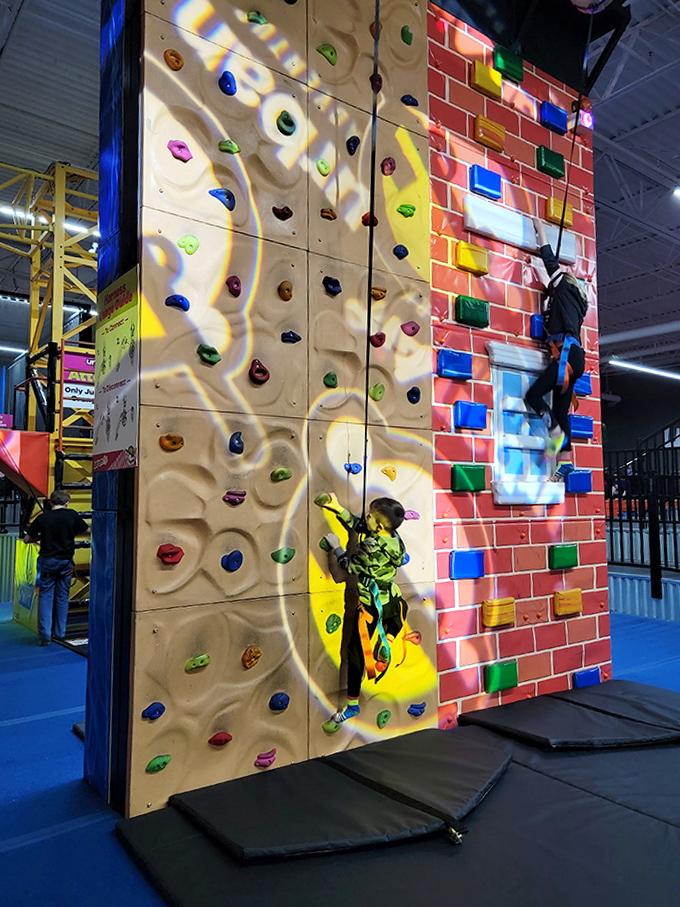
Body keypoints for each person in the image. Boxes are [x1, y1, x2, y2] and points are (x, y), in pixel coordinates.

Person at [314, 492, 407, 733]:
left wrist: (335, 547)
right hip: (390, 599)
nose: (365, 518)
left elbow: (349, 567)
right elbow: (360, 524)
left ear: (377, 525)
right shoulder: (395, 539)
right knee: (397, 616)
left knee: (355, 653)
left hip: (370, 605)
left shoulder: (370, 545)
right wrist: (337, 507)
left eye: (369, 516)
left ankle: (352, 704)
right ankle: (388, 637)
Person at [525, 216, 588, 478]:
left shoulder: (563, 288)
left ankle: (555, 437)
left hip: (567, 357)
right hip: (576, 357)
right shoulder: (579, 305)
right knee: (561, 410)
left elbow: (550, 261)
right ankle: (565, 461)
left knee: (533, 396)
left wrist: (539, 229)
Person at [24, 488, 89, 645]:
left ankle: (45, 633)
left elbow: (26, 539)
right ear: (67, 502)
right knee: (62, 597)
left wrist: (41, 536)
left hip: (48, 562)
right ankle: (60, 632)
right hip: (65, 562)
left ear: (51, 502)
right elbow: (88, 530)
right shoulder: (72, 515)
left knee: (46, 596)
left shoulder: (43, 518)